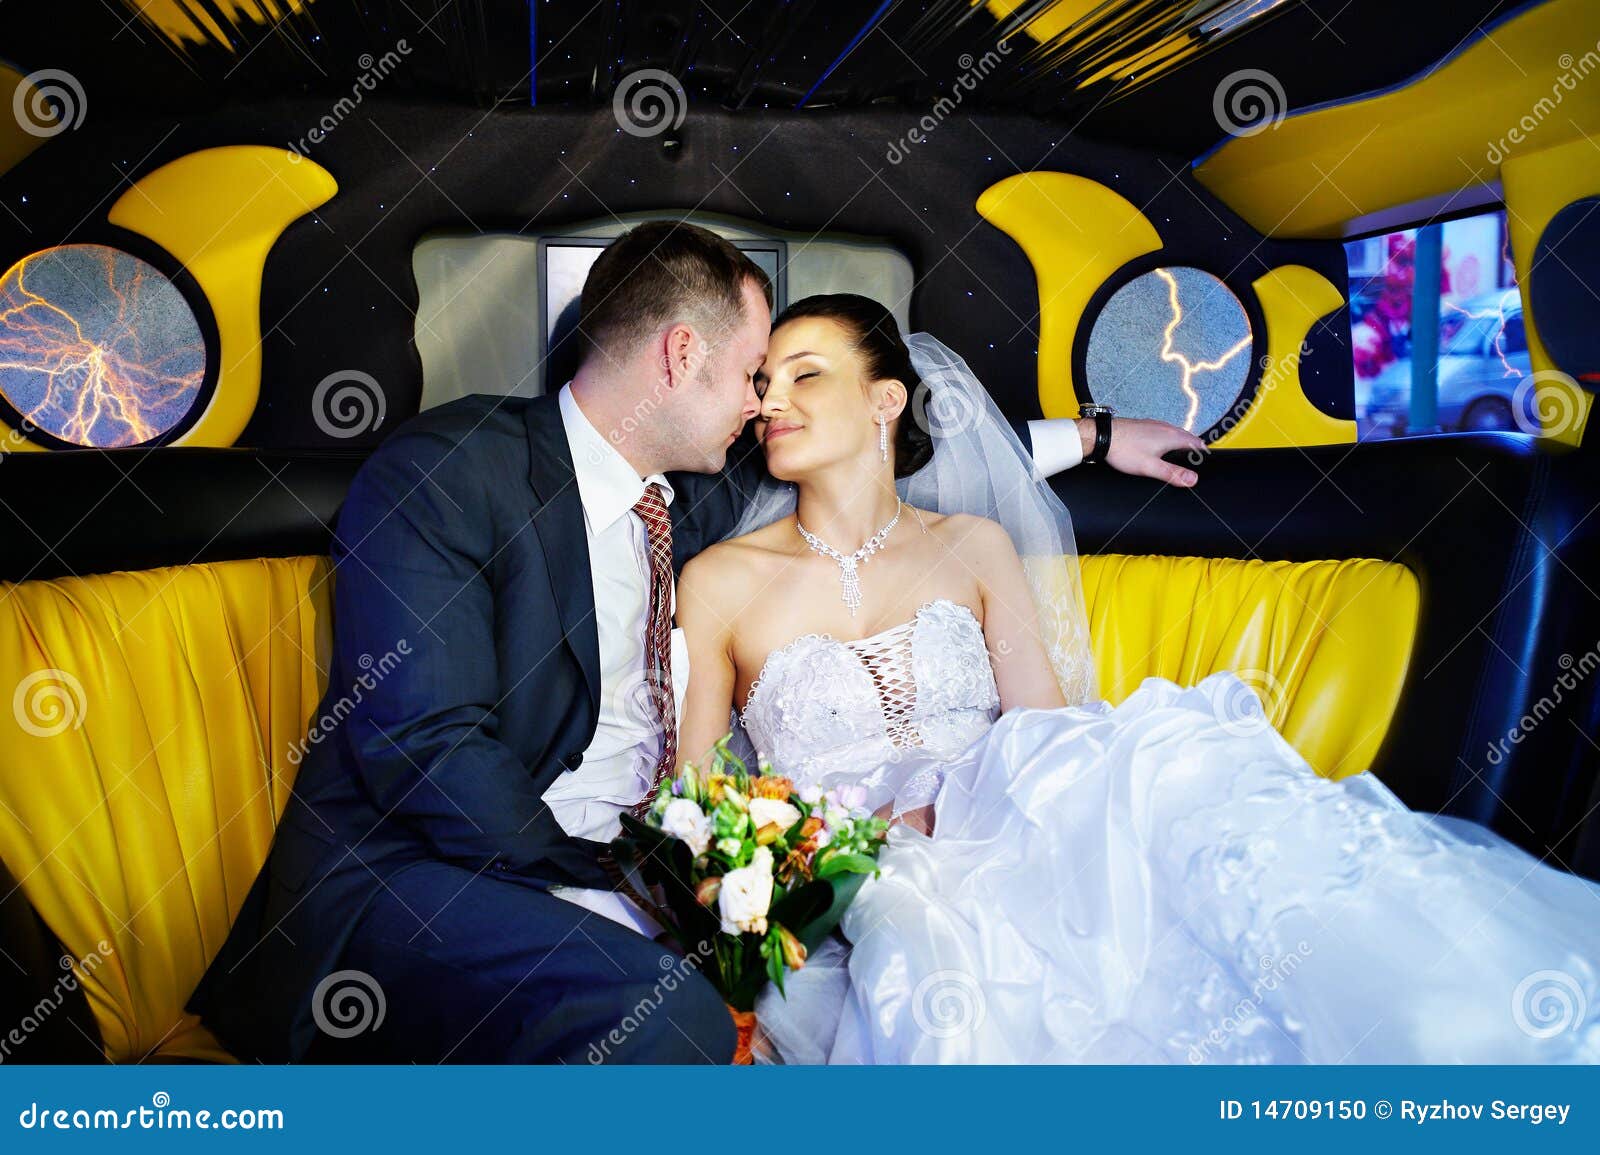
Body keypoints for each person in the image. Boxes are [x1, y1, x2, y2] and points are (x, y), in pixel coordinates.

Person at [185, 224, 1200, 1065]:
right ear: (679, 356)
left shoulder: (702, 495)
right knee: (672, 1014)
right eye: (755, 373)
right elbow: (424, 750)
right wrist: (645, 881)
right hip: (431, 880)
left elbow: (878, 472)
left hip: (653, 873)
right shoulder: (451, 470)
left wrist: (1096, 438)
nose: (766, 404)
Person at [674, 293, 1600, 1064]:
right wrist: (816, 858)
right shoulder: (719, 580)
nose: (771, 401)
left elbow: (1046, 725)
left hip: (1009, 819)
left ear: (885, 402)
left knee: (1175, 781)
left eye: (804, 373)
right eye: (761, 383)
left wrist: (972, 807)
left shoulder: (976, 545)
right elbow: (693, 799)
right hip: (851, 883)